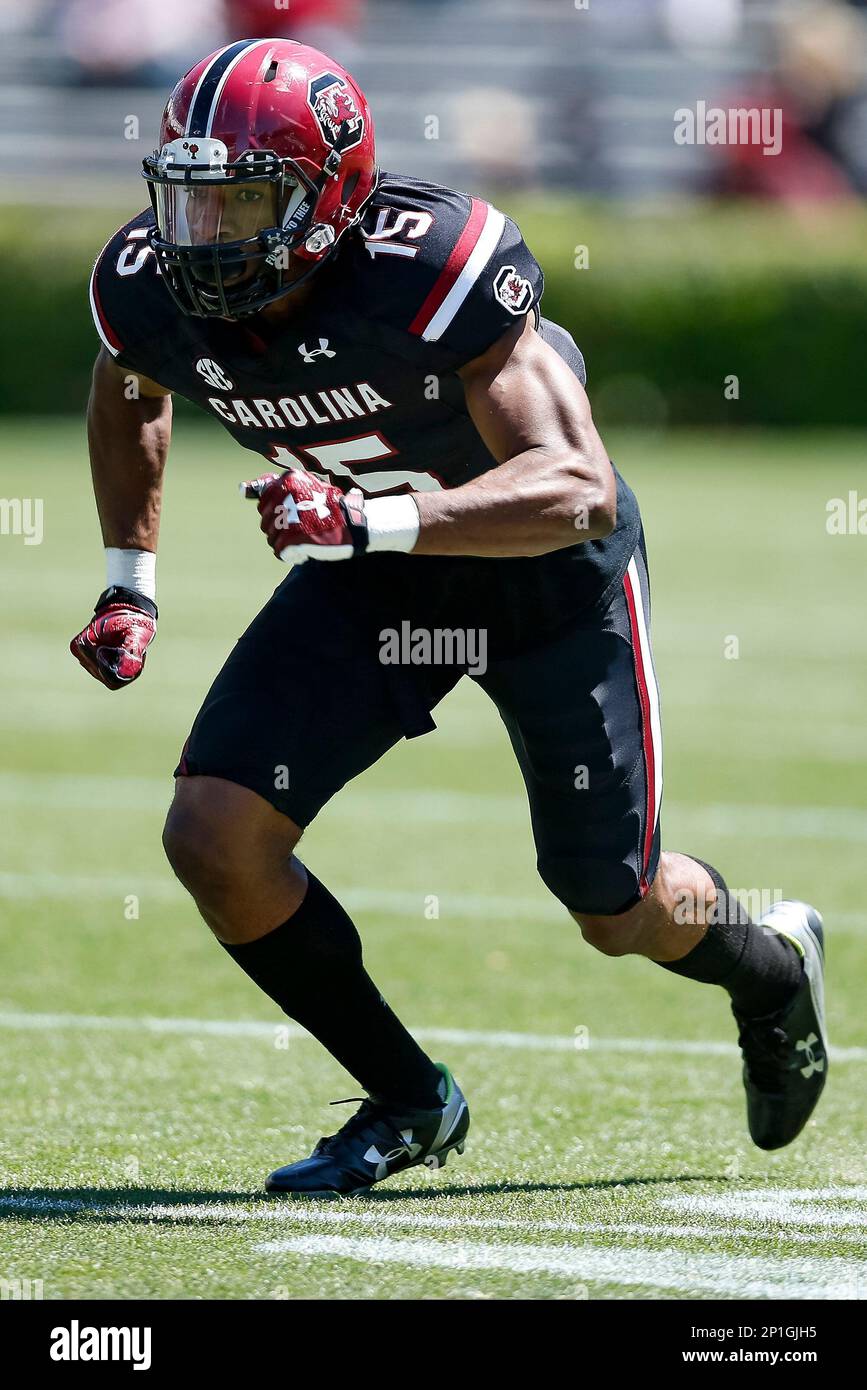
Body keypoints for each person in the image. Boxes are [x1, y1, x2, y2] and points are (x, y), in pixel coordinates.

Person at [73, 38, 828, 1196]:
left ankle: (770, 965)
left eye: (239, 201)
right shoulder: (145, 283)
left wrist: (370, 519)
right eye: (189, 198)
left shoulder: (426, 266)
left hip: (541, 576)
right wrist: (132, 574)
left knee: (614, 905)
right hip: (371, 574)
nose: (204, 233)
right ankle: (408, 1098)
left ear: (326, 199)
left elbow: (575, 490)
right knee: (214, 835)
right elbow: (130, 384)